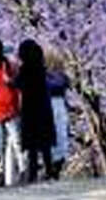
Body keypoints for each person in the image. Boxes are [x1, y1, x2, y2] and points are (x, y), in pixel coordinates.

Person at [14, 39, 56, 183]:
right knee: (45, 145)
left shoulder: (25, 69)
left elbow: (17, 84)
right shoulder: (41, 67)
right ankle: (50, 171)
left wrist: (10, 80)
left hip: (30, 109)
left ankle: (33, 175)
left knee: (32, 146)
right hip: (44, 108)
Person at [0, 39, 24, 186]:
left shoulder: (10, 67)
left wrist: (10, 81)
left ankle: (22, 170)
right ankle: (3, 174)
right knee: (1, 144)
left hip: (10, 110)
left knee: (16, 141)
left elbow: (17, 84)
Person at [46, 49, 70, 179]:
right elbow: (66, 84)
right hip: (60, 104)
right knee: (61, 133)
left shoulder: (45, 76)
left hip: (49, 104)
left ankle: (54, 162)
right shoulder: (62, 76)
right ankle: (59, 159)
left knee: (53, 133)